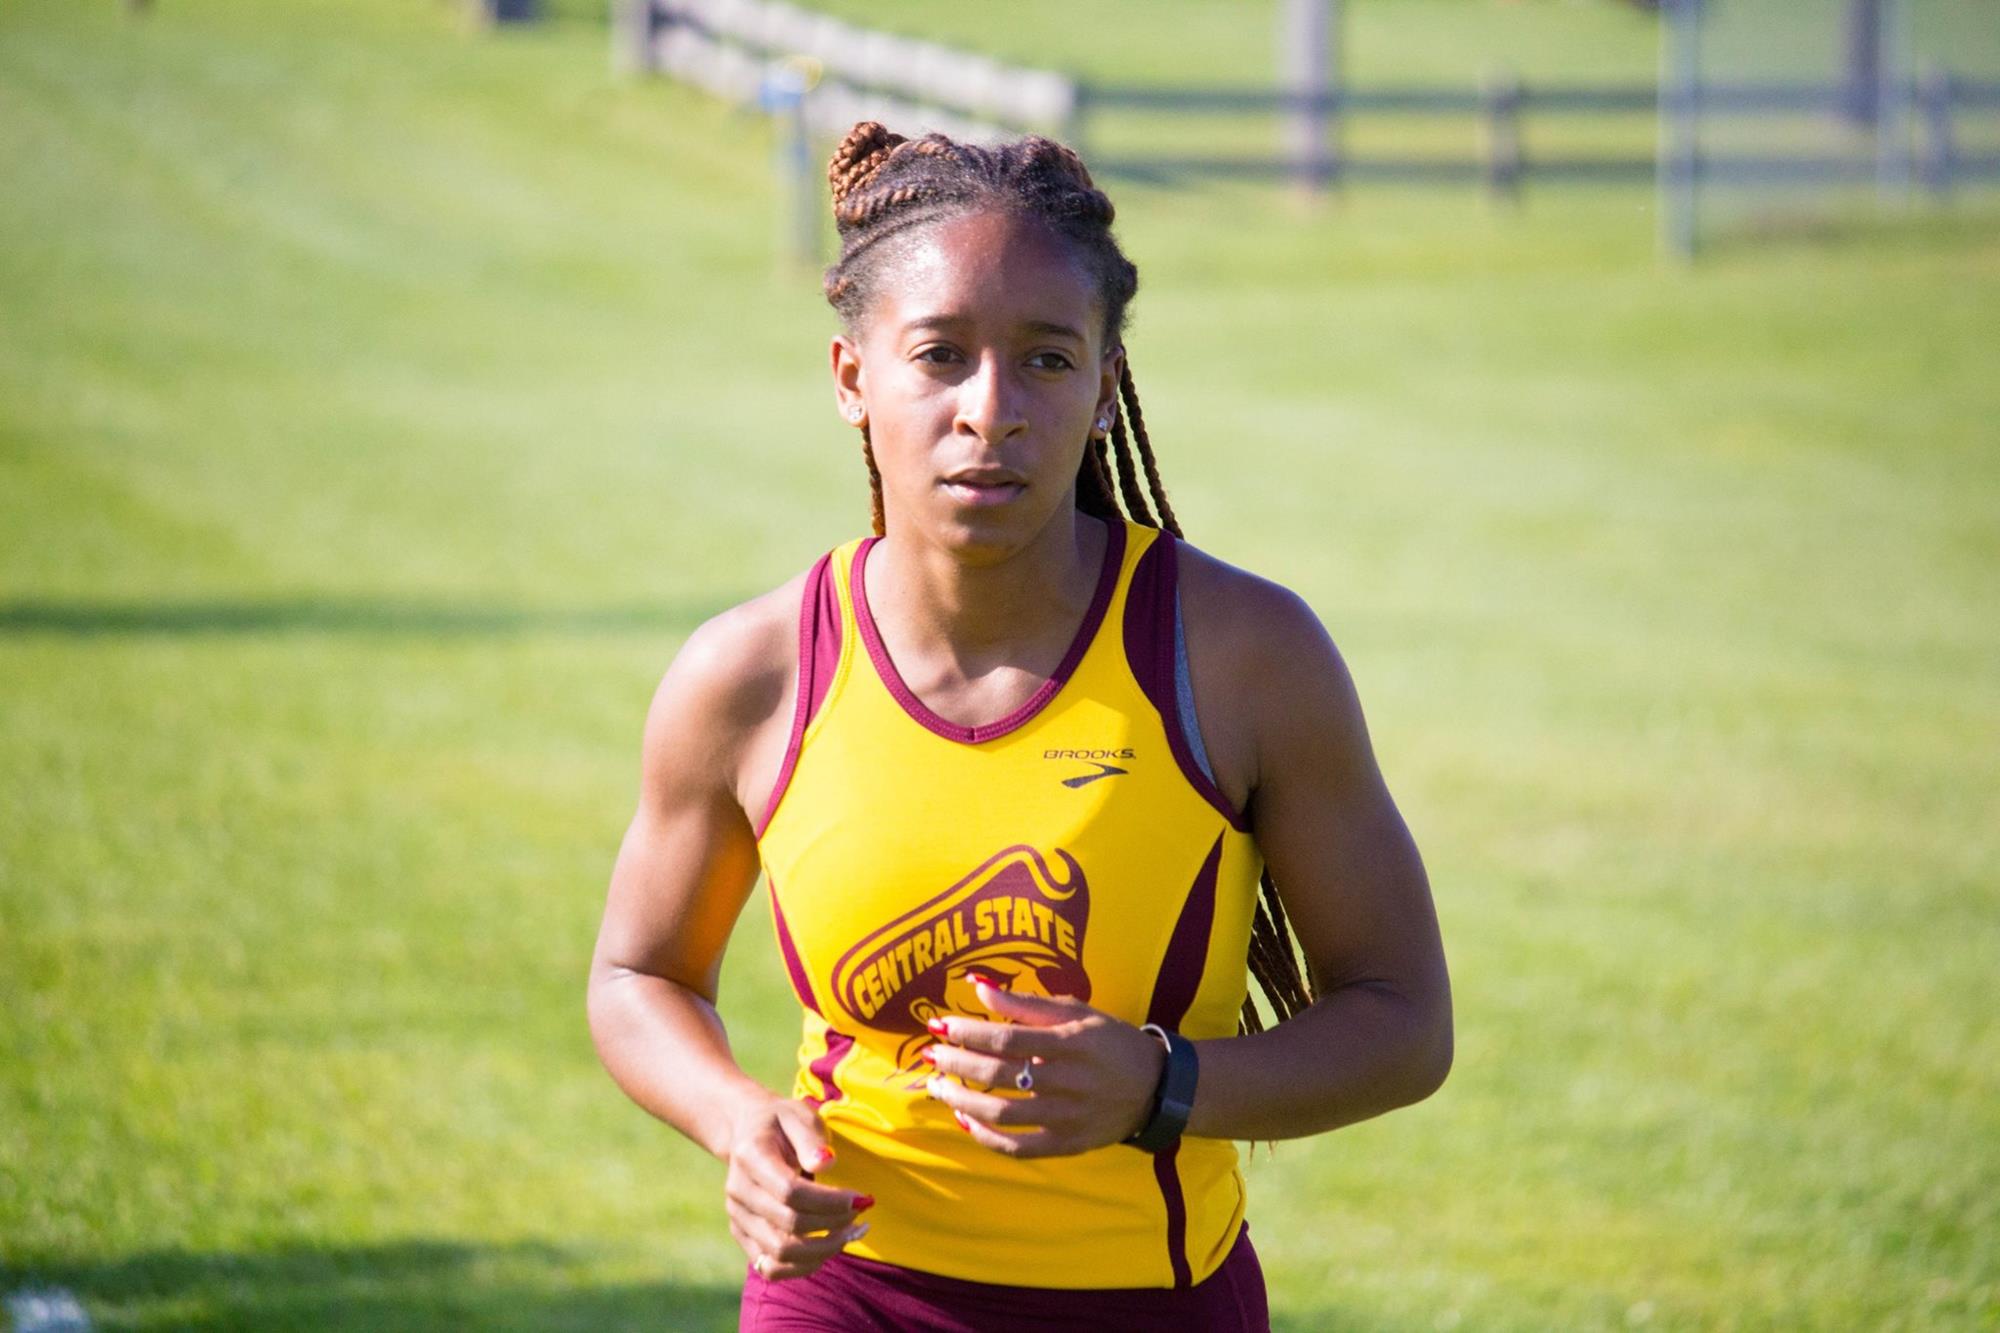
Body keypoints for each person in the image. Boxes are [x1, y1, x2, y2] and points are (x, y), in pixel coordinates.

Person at [587, 120, 1453, 1333]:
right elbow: (638, 974)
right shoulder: (751, 673)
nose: (988, 410)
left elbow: (1401, 1020)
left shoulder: (1240, 655)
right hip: (841, 1296)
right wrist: (738, 1121)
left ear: (1102, 387)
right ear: (851, 378)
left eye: (1046, 360)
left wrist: (1158, 1082)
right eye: (939, 355)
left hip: (1153, 1305)